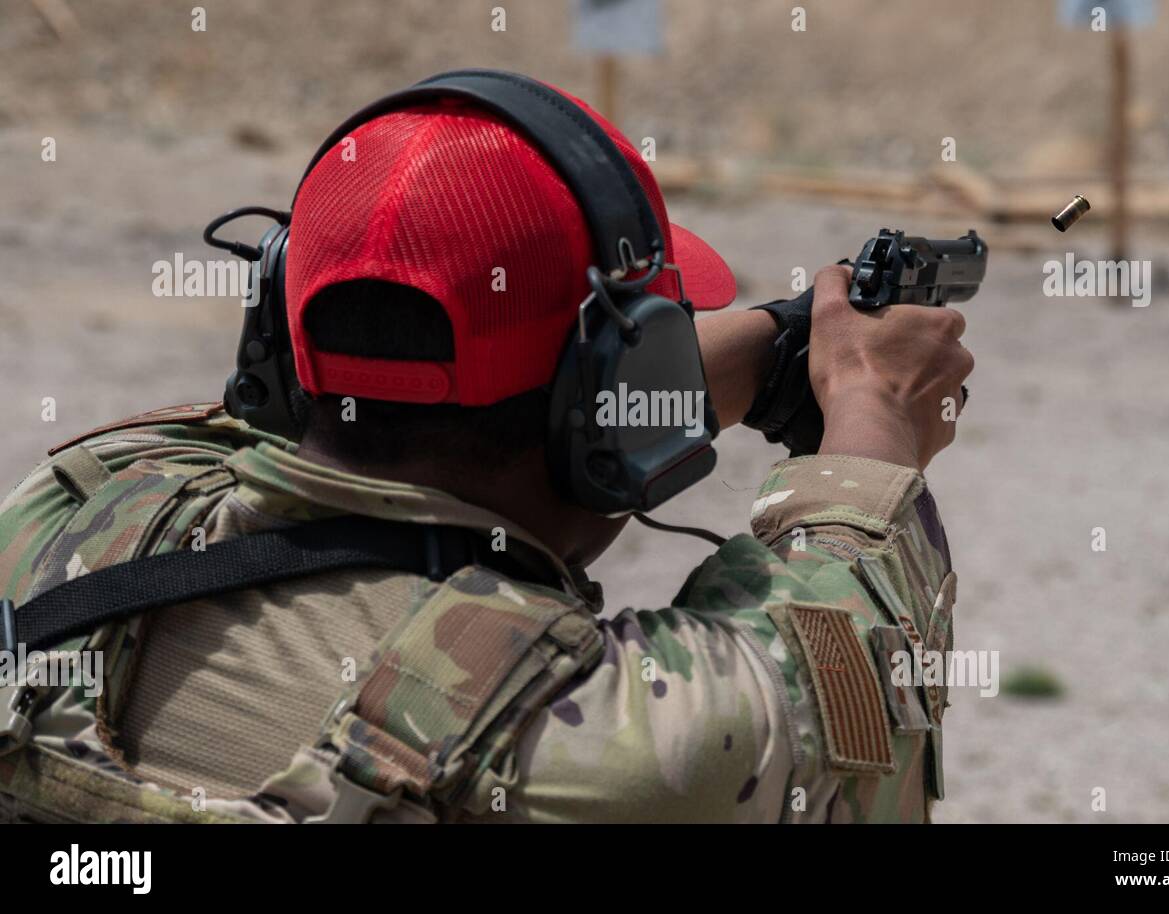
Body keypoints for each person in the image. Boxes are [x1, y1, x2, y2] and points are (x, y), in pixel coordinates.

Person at [0, 73, 972, 823]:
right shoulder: (607, 738)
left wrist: (752, 347)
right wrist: (871, 405)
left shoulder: (71, 514)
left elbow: (253, 430)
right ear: (614, 390)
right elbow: (845, 650)